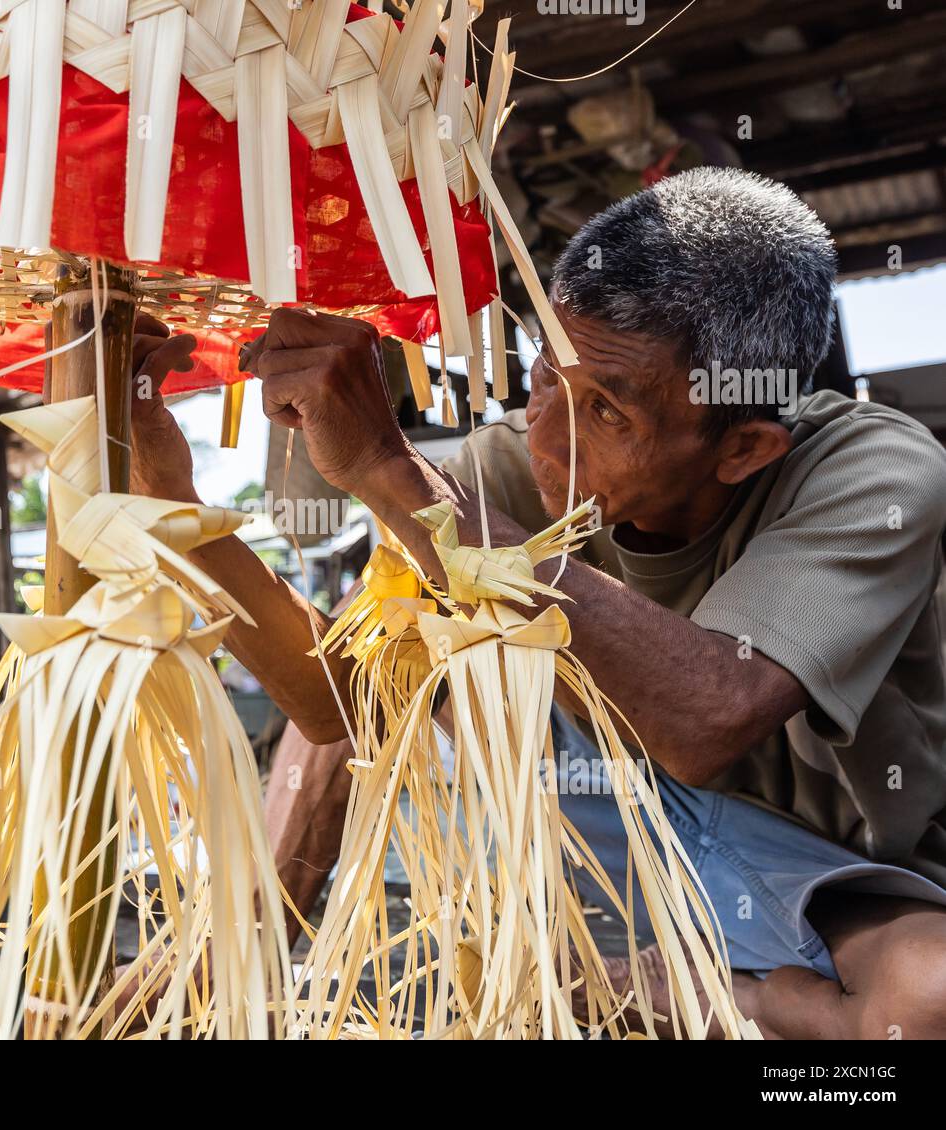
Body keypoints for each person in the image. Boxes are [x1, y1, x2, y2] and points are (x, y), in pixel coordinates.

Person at [127, 167, 946, 1038]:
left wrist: (389, 470)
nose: (547, 436)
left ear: (743, 447)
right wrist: (181, 510)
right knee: (400, 645)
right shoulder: (494, 476)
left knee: (923, 1002)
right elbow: (344, 708)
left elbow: (709, 718)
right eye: (545, 379)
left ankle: (674, 989)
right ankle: (239, 950)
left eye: (607, 412)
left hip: (826, 886)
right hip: (617, 833)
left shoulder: (873, 470)